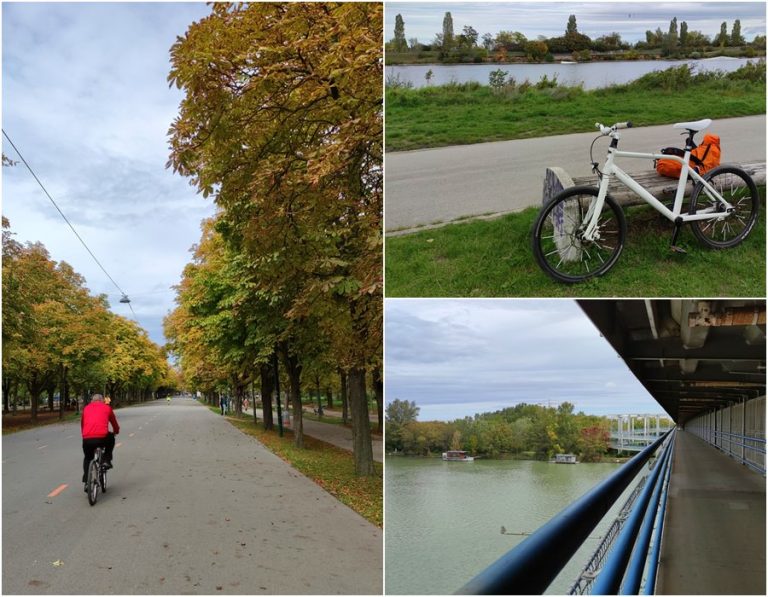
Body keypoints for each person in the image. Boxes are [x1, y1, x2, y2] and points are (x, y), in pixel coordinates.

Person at [81, 394, 120, 489]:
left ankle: (87, 481)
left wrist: (85, 435)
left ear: (92, 401)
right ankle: (106, 460)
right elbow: (114, 422)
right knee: (111, 438)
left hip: (87, 439)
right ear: (102, 400)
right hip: (102, 437)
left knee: (88, 458)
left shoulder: (86, 408)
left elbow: (82, 424)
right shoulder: (107, 408)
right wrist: (116, 431)